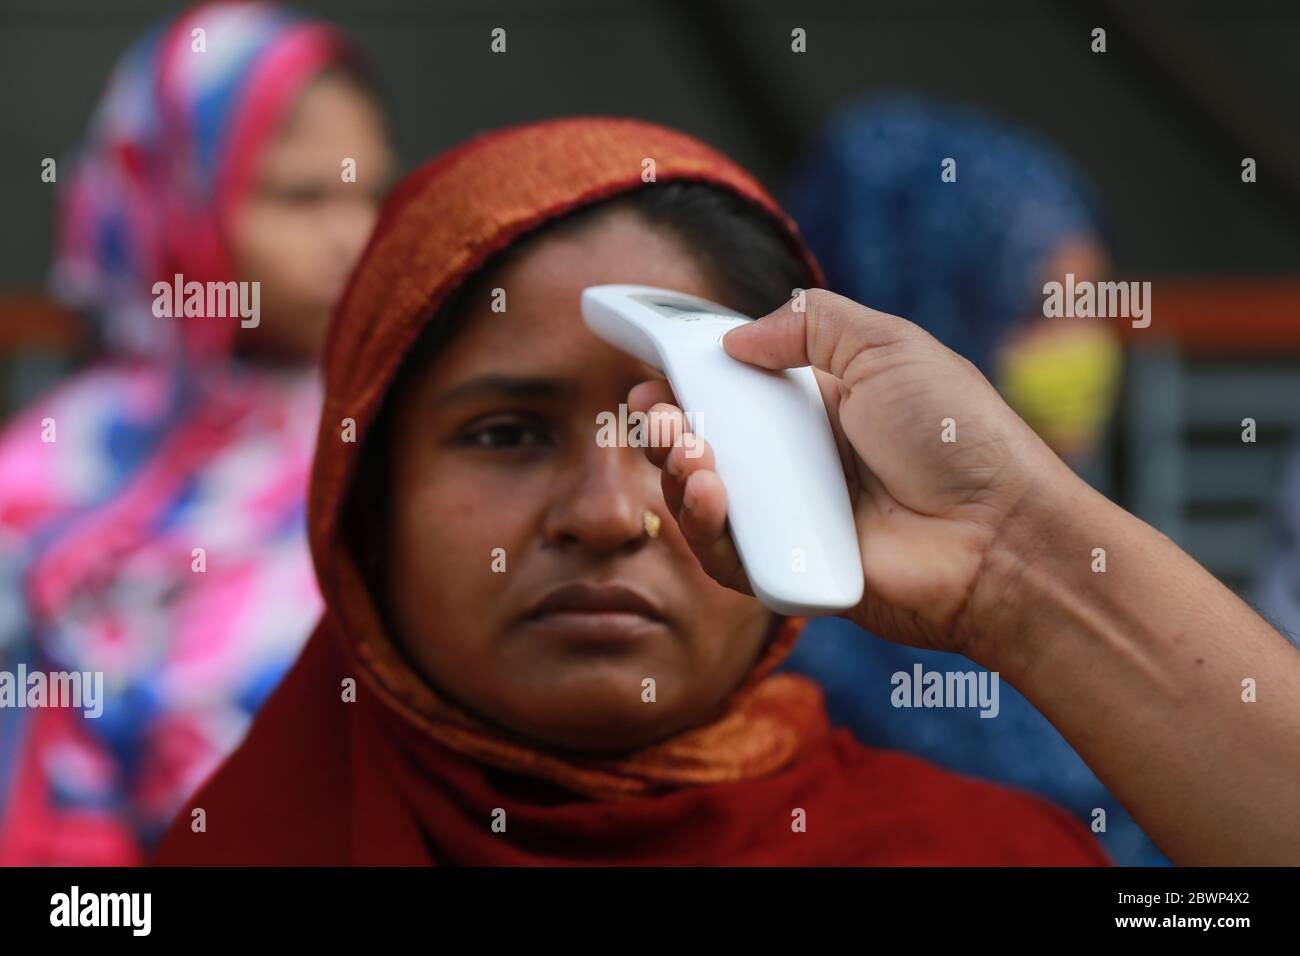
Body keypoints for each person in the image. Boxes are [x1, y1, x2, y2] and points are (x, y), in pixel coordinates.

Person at [153, 116, 1300, 866]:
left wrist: (1012, 570)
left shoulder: (974, 852)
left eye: (683, 432)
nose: (606, 513)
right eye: (504, 433)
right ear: (364, 499)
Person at [0, 1, 396, 864]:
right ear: (173, 196)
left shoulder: (397, 442)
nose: (351, 236)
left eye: (369, 191)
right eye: (302, 196)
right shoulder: (39, 482)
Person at [777, 93, 1157, 862]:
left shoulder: (1108, 554)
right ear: (920, 311)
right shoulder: (779, 628)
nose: (1079, 350)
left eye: (1090, 309)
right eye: (1037, 311)